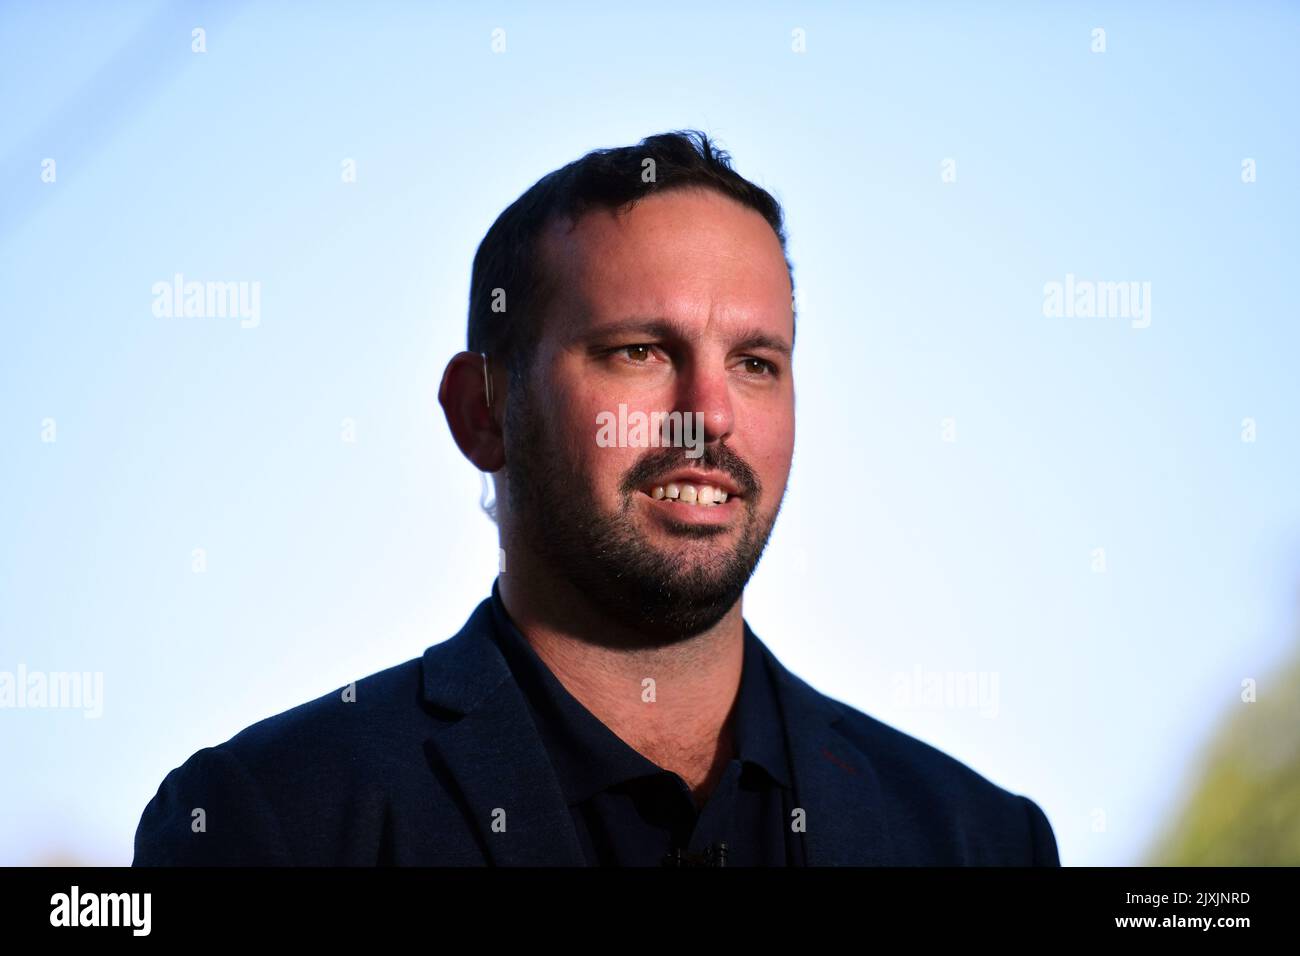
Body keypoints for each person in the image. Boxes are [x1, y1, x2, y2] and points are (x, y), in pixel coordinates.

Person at [133, 130, 1060, 866]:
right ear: (482, 411)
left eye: (755, 363)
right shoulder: (271, 823)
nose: (710, 416)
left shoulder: (977, 840)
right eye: (639, 352)